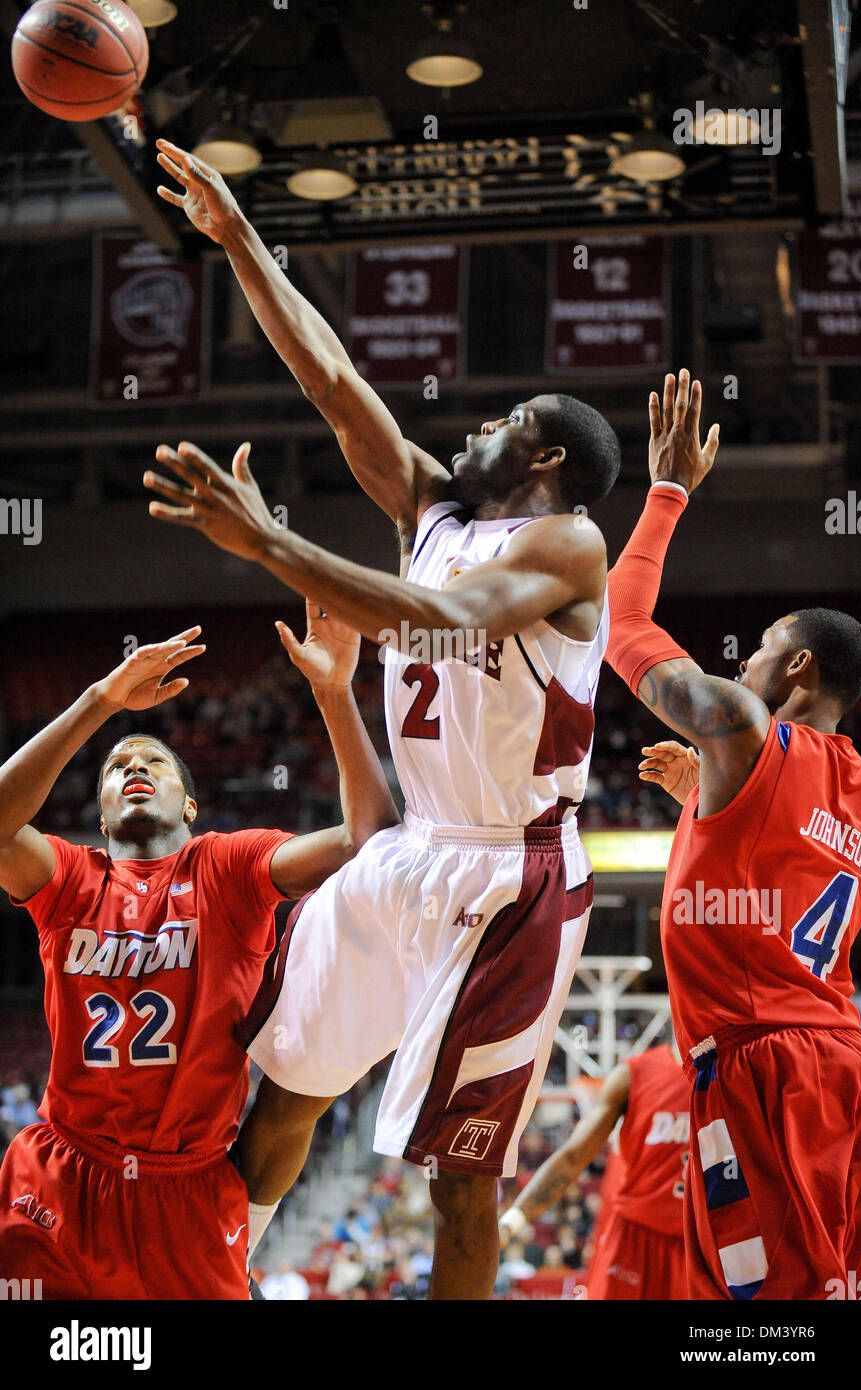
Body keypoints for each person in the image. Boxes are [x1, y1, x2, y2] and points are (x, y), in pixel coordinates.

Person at [143, 139, 621, 1300]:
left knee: (456, 1182)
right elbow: (335, 382)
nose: (472, 427)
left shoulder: (563, 543)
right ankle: (219, 1281)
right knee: (287, 1092)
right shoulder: (434, 506)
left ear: (544, 455)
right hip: (410, 849)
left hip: (511, 879)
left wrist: (267, 542)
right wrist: (242, 243)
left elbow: (445, 617)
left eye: (505, 418)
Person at [0, 611, 398, 1300]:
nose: (133, 767)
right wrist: (101, 700)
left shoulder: (227, 865)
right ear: (98, 817)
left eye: (153, 761)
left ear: (190, 805)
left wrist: (334, 693)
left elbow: (370, 844)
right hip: (62, 1174)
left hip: (186, 1187)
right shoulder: (67, 878)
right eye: (118, 765)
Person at [604, 367, 861, 1300]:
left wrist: (666, 489)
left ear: (794, 664)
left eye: (756, 646)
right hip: (831, 1054)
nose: (742, 658)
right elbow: (782, 881)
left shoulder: (746, 730)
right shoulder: (853, 790)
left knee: (769, 1314)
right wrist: (704, 806)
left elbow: (618, 621)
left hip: (764, 1061)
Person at [499, 1043, 690, 1299]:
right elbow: (571, 1158)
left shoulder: (738, 1071)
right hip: (637, 1239)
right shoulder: (635, 1074)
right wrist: (511, 1223)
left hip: (705, 1240)